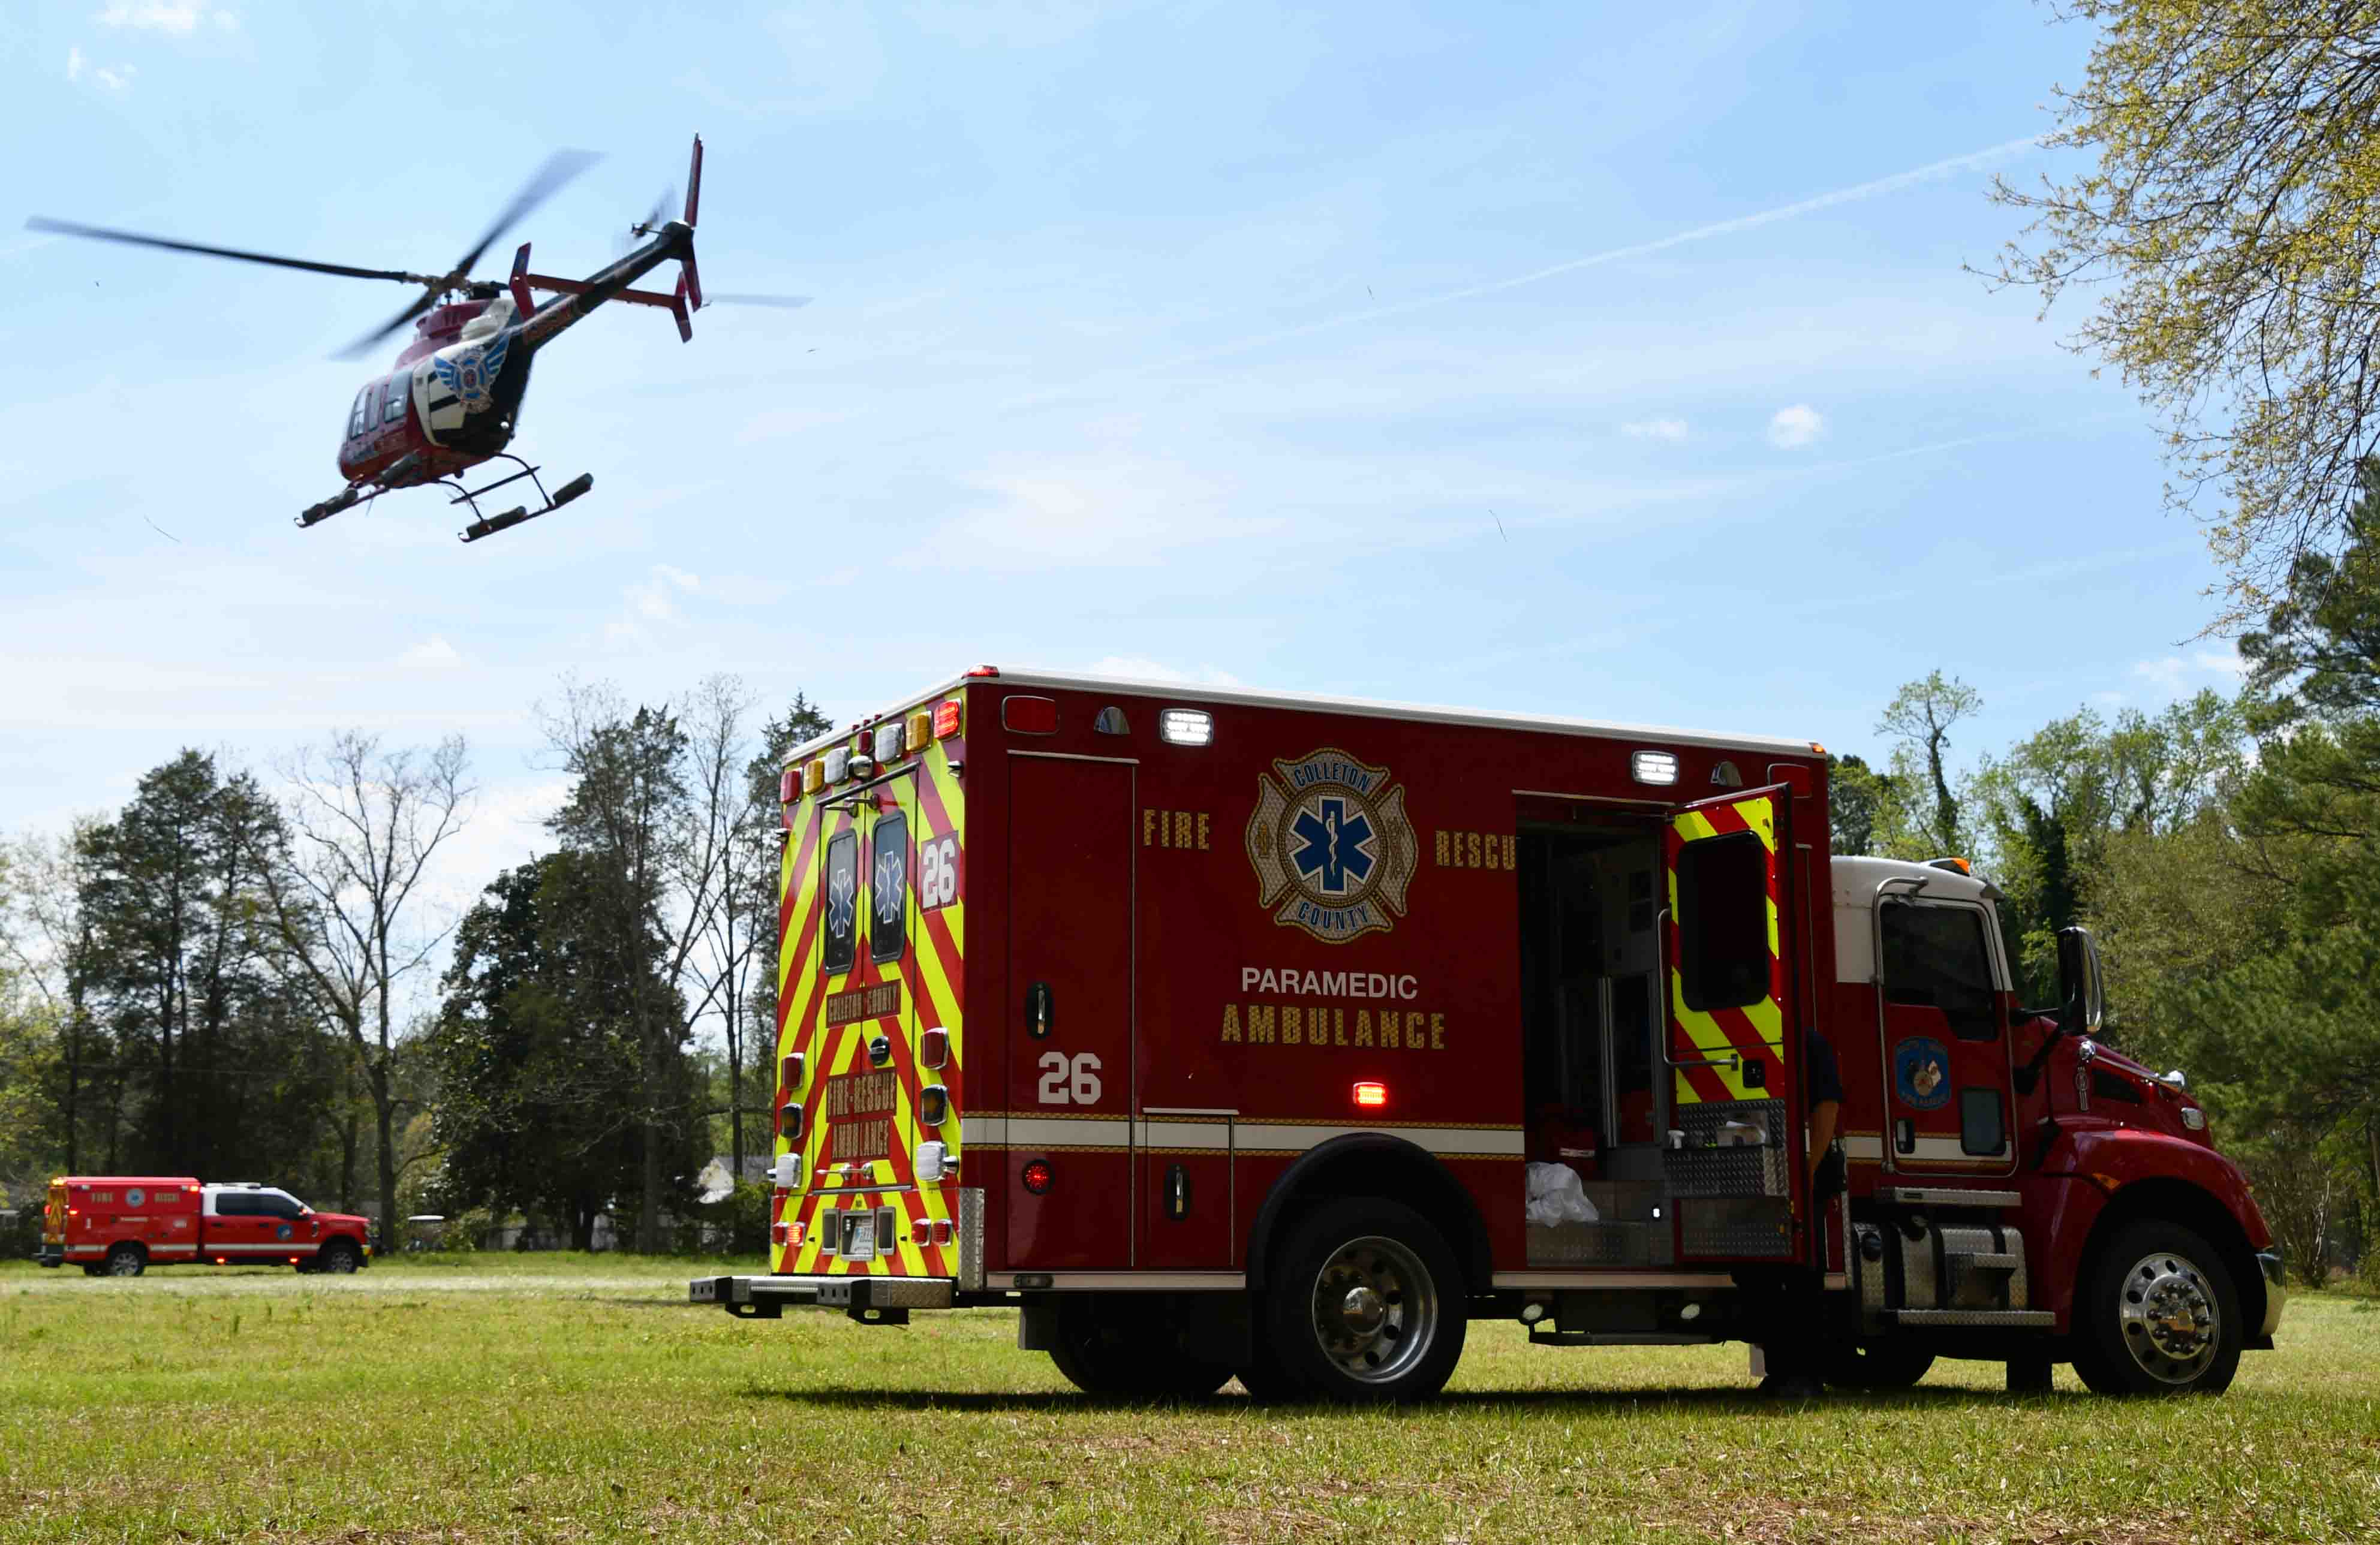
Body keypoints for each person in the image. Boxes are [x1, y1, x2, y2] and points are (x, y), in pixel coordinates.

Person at [1756, 1028, 1847, 1399]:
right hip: (1769, 1177)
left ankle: (1807, 1375)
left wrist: (1808, 1168)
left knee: (1803, 1278)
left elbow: (1827, 1106)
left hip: (1805, 1178)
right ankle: (1781, 1372)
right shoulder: (1760, 1040)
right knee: (1764, 1280)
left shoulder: (1808, 1043)